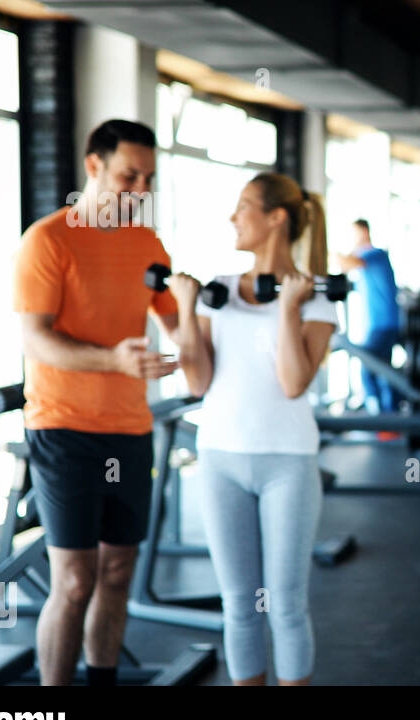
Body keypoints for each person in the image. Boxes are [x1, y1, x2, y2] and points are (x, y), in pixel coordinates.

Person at [14, 119, 181, 685]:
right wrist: (113, 360)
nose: (138, 190)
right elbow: (35, 337)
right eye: (127, 175)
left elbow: (178, 320)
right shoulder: (49, 239)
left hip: (129, 430)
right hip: (63, 429)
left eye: (147, 179)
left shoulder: (147, 243)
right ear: (93, 166)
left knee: (117, 571)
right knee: (75, 580)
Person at [167, 172, 338, 686]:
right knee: (239, 604)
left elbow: (292, 383)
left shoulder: (318, 298)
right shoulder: (218, 290)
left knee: (285, 604)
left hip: (287, 462)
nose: (233, 217)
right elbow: (199, 380)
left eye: (243, 207)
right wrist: (183, 309)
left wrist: (287, 308)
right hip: (219, 457)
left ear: (275, 218)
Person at [335, 219, 400, 416]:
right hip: (379, 323)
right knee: (381, 369)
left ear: (364, 232)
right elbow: (346, 268)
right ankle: (387, 416)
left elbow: (348, 263)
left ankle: (383, 416)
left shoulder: (376, 254)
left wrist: (334, 252)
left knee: (371, 369)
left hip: (384, 323)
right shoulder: (366, 257)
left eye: (355, 234)